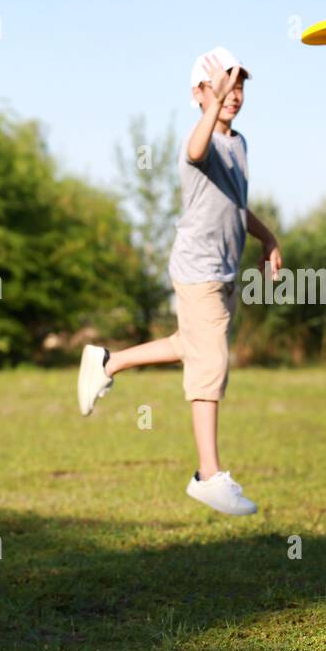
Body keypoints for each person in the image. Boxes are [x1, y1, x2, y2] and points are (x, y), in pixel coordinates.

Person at [78, 46, 282, 517]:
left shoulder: (239, 144)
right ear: (199, 93)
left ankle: (105, 363)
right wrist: (210, 108)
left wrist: (267, 238)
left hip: (224, 269)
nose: (233, 94)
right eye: (222, 85)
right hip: (199, 268)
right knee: (211, 361)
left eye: (239, 85)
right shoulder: (202, 142)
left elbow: (236, 204)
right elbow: (194, 149)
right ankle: (207, 476)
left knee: (188, 344)